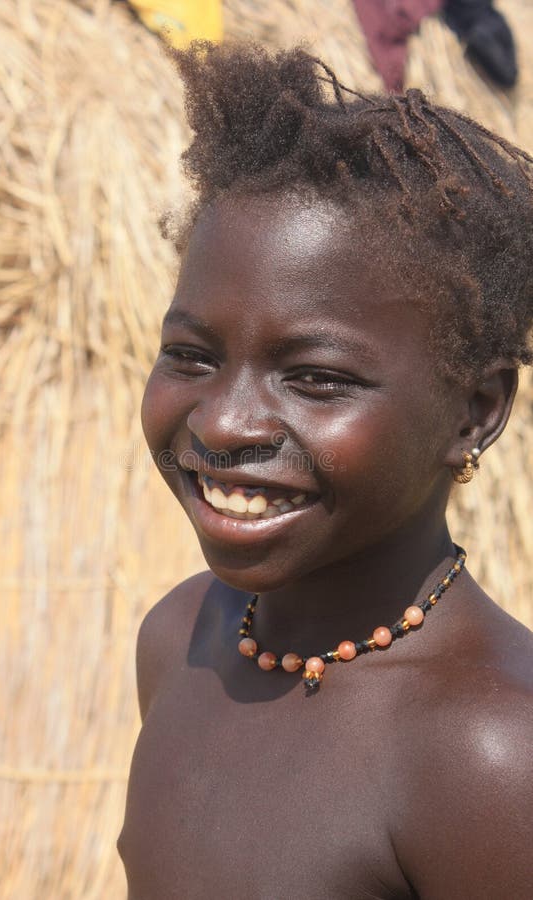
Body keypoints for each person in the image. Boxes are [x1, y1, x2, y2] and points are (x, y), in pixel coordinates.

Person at [118, 42, 533, 899]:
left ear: (476, 411)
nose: (224, 419)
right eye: (191, 356)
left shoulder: (494, 754)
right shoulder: (181, 641)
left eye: (315, 378)